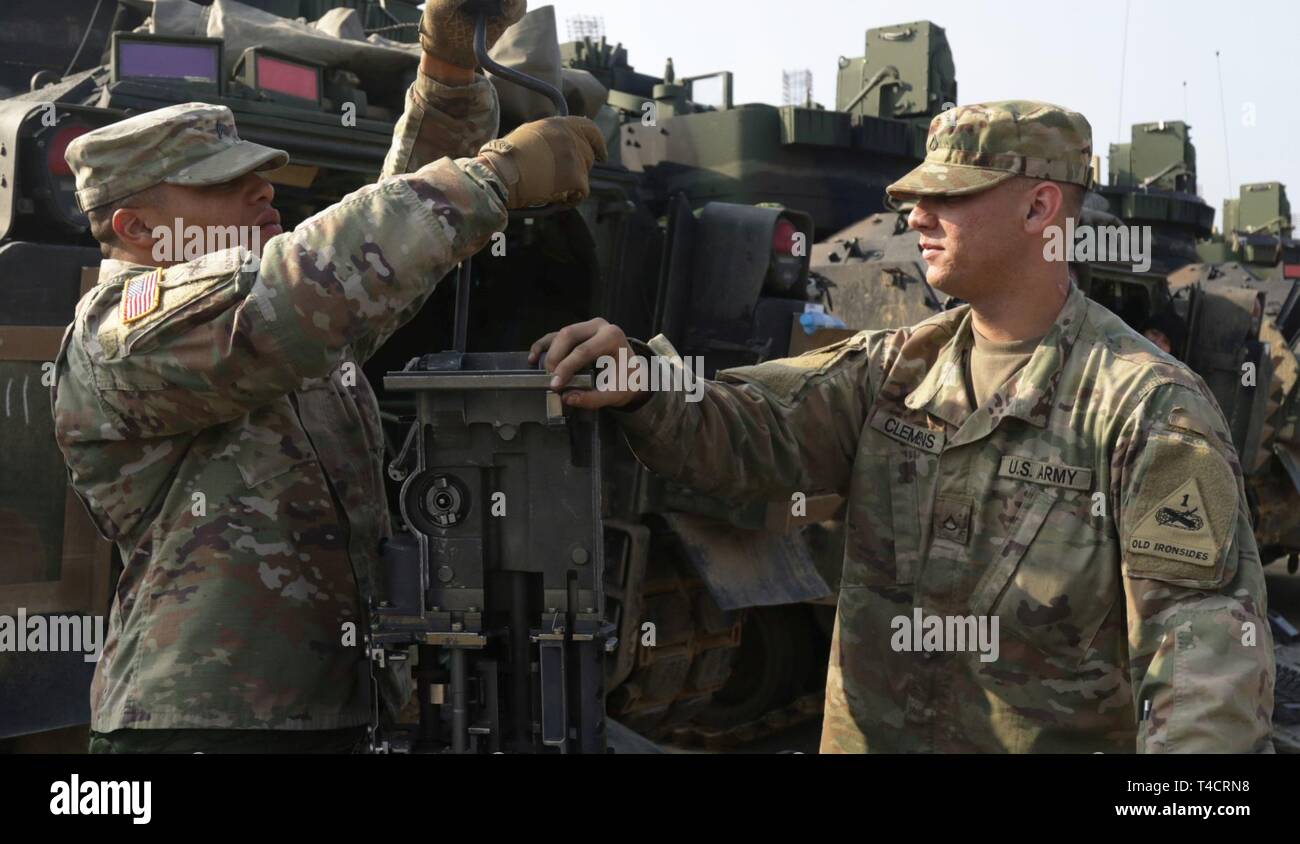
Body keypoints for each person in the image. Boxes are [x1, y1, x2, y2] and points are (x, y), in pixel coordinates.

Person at [533, 100, 1274, 753]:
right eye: (914, 198)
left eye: (947, 197)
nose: (916, 216)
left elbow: (1203, 656)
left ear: (1039, 209)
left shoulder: (1148, 407)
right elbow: (752, 424)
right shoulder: (897, 367)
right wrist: (643, 380)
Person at [53, 0, 606, 753]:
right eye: (220, 184)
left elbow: (374, 263)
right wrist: (497, 175)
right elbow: (308, 282)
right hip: (205, 728)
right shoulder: (120, 328)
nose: (263, 192)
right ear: (137, 230)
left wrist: (446, 79)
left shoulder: (276, 326)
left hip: (331, 713)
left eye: (257, 175)